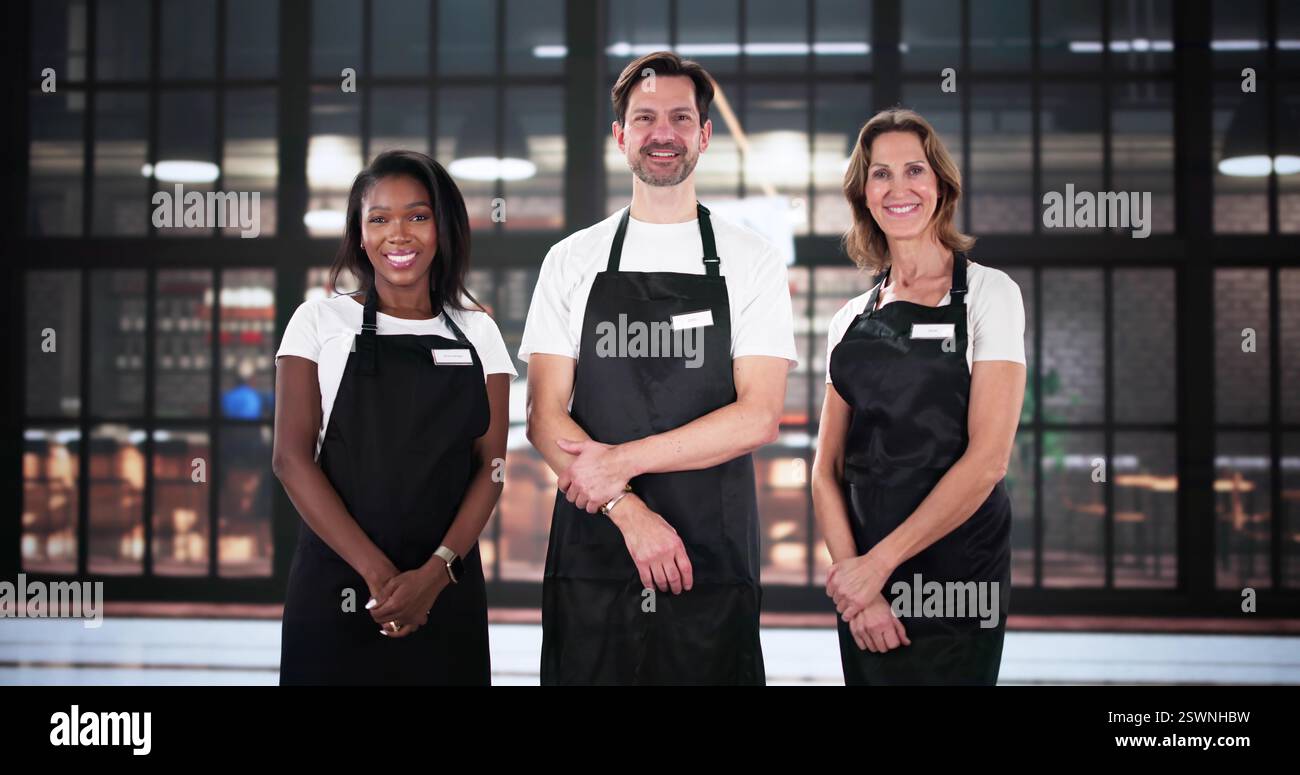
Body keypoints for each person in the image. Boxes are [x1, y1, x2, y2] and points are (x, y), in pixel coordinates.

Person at [519, 51, 798, 685]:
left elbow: (759, 416)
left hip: (710, 550)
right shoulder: (571, 259)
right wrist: (627, 509)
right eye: (644, 118)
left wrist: (621, 461)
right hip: (597, 544)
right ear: (620, 137)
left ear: (704, 134)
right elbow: (544, 416)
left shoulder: (750, 260)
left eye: (680, 117)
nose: (662, 133)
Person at [272, 150, 515, 685]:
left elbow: (491, 468)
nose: (397, 234)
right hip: (339, 582)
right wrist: (382, 578)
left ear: (442, 227)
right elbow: (291, 460)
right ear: (360, 235)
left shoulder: (478, 334)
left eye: (417, 216)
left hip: (446, 584)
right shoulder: (319, 321)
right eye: (378, 218)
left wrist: (434, 574)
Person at [812, 108, 1026, 685]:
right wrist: (859, 588)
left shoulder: (989, 295)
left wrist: (877, 567)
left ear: (941, 186)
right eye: (881, 174)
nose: (898, 187)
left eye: (914, 170)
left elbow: (988, 461)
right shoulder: (850, 319)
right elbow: (826, 471)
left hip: (959, 564)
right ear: (864, 192)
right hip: (865, 563)